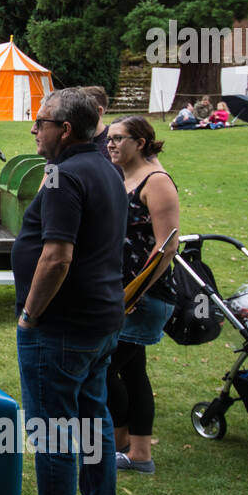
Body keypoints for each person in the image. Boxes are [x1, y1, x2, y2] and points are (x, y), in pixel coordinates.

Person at [0, 87, 126, 495]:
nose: (33, 129)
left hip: (62, 328)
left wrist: (30, 313)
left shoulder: (63, 177)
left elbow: (58, 255)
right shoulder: (107, 168)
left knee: (53, 432)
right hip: (101, 322)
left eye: (40, 122)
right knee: (93, 422)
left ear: (64, 130)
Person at [105, 116, 179, 475]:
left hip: (144, 297)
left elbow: (167, 248)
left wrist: (135, 293)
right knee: (132, 373)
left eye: (119, 139)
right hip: (123, 294)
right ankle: (135, 452)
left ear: (141, 142)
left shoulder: (157, 181)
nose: (111, 144)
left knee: (102, 369)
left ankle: (128, 448)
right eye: (109, 138)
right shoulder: (123, 176)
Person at [81, 86, 113, 162]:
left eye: (81, 110)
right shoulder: (68, 140)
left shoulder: (115, 142)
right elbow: (51, 171)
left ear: (99, 111)